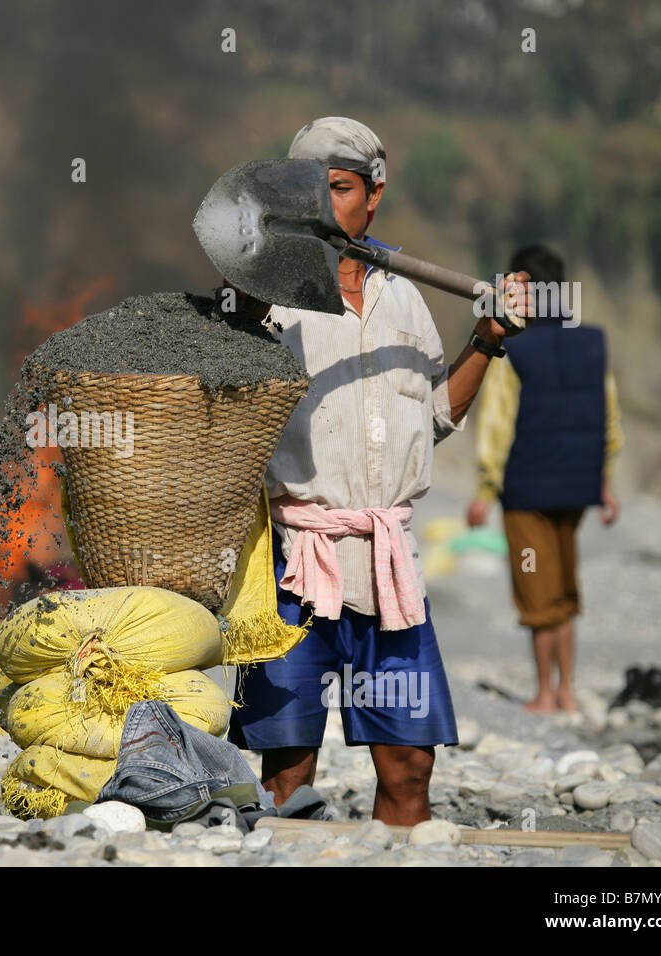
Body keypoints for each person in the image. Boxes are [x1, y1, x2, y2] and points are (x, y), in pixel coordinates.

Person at [226, 116, 531, 825]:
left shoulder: (407, 302)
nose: (321, 205)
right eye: (306, 191)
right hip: (295, 564)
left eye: (336, 188)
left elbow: (431, 420)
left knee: (408, 765)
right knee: (288, 769)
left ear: (374, 195)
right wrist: (241, 294)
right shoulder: (266, 303)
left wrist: (487, 343)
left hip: (387, 562)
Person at [465, 244, 622, 714]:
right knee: (564, 586)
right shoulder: (593, 343)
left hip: (528, 489)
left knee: (537, 591)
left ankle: (545, 693)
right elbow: (609, 418)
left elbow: (496, 422)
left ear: (527, 287)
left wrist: (484, 491)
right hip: (577, 488)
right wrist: (606, 483)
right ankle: (568, 690)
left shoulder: (514, 347)